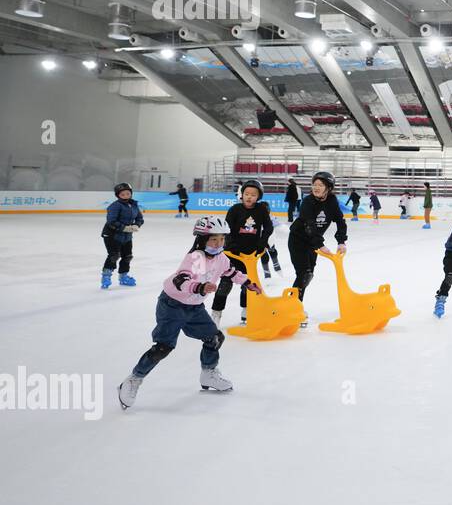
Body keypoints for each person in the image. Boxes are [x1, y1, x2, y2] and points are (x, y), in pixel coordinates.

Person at [116, 216, 260, 409]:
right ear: (201, 239)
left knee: (214, 337)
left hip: (194, 307)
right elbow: (180, 280)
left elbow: (230, 272)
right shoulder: (196, 258)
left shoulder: (221, 258)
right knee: (163, 347)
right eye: (213, 239)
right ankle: (133, 380)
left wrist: (247, 283)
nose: (219, 243)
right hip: (172, 305)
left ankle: (208, 373)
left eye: (222, 239)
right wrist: (199, 286)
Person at [287, 171, 348, 326]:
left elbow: (340, 221)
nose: (316, 187)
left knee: (308, 275)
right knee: (303, 274)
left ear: (328, 188)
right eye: (314, 184)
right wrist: (320, 244)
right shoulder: (308, 202)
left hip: (312, 243)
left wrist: (341, 241)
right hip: (298, 240)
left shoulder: (332, 201)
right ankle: (293, 309)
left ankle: (293, 305)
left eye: (320, 185)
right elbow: (309, 225)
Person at [212, 179, 274, 327]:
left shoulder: (261, 210)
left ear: (258, 196)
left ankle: (246, 311)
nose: (249, 197)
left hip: (251, 254)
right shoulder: (235, 209)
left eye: (253, 194)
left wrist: (262, 242)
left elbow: (268, 227)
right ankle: (216, 313)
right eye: (246, 193)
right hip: (233, 254)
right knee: (226, 283)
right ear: (242, 194)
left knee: (247, 283)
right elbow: (227, 229)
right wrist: (231, 245)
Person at [101, 182, 144, 289]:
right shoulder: (115, 206)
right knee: (114, 256)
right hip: (112, 235)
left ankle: (123, 276)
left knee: (127, 256)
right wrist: (124, 228)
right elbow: (111, 221)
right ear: (118, 195)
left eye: (128, 194)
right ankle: (106, 276)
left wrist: (136, 225)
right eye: (122, 194)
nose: (126, 196)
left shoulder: (134, 205)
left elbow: (140, 218)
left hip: (127, 236)